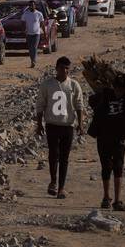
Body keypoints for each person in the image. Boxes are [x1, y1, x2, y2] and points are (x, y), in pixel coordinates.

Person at [87, 73, 125, 211]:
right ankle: (105, 197)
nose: (119, 92)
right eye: (117, 89)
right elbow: (91, 101)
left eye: (121, 89)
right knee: (106, 167)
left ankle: (117, 200)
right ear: (113, 87)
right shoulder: (104, 96)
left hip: (119, 138)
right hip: (104, 137)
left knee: (118, 167)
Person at [35, 56, 85, 199]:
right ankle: (53, 182)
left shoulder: (74, 85)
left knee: (65, 157)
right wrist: (39, 124)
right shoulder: (47, 84)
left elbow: (79, 105)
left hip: (67, 126)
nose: (65, 71)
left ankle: (62, 187)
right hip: (52, 125)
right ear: (56, 68)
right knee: (53, 154)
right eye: (62, 68)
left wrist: (80, 124)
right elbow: (40, 105)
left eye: (67, 68)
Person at [22, 0, 46, 68]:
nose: (31, 6)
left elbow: (42, 23)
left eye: (32, 5)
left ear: (35, 6)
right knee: (30, 48)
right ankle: (32, 60)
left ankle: (34, 61)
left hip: (36, 33)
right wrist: (24, 30)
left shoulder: (39, 14)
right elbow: (23, 22)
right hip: (29, 33)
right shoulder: (26, 14)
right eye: (30, 5)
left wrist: (44, 32)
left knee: (34, 47)